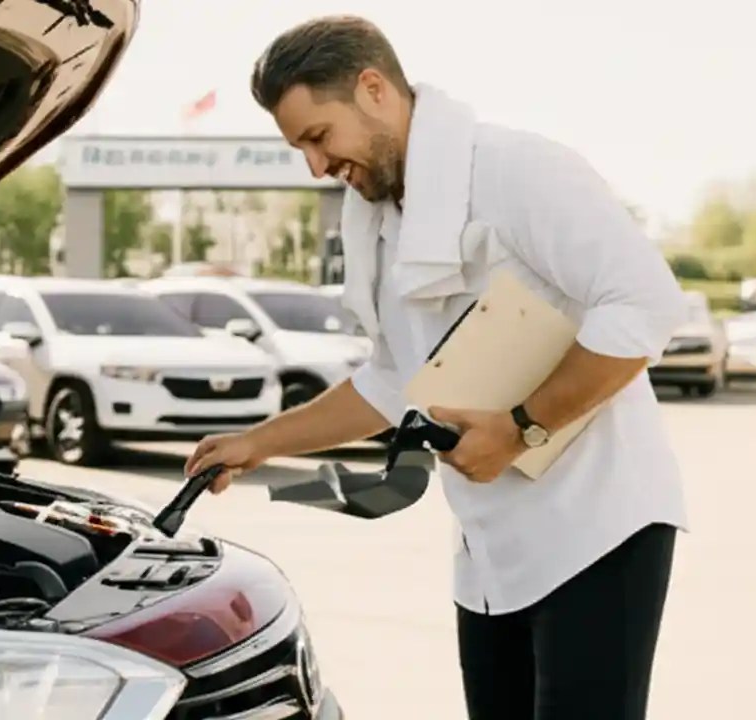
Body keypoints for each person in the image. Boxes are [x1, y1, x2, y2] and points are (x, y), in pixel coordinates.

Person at [184, 15, 690, 720]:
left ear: (373, 90)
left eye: (318, 137)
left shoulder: (519, 169)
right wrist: (257, 443)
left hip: (599, 529)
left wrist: (520, 430)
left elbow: (644, 304)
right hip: (489, 554)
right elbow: (393, 383)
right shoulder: (379, 222)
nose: (316, 167)